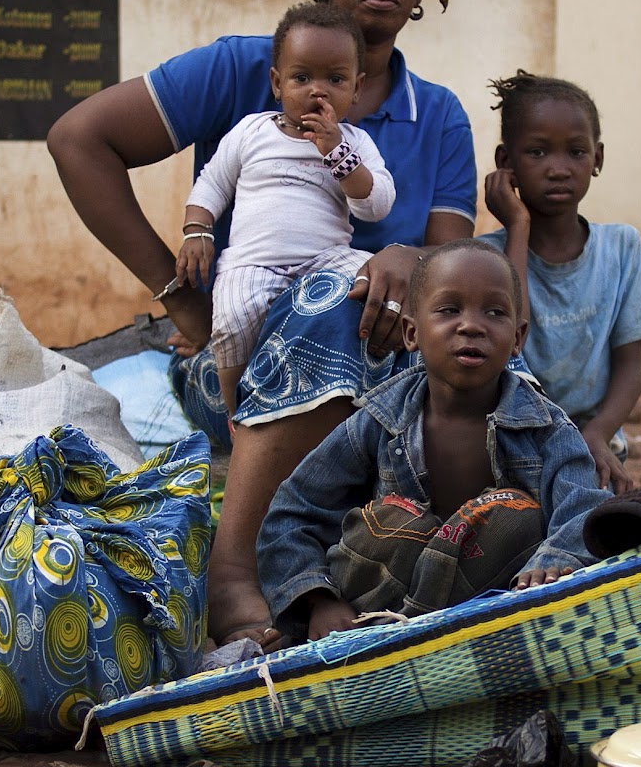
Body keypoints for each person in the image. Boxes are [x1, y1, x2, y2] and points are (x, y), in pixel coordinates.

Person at [47, 0, 475, 650]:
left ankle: (353, 581)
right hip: (241, 366)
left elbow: (457, 267)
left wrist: (409, 256)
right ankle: (233, 570)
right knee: (329, 298)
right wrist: (177, 291)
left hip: (388, 377)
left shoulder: (438, 115)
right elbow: (80, 139)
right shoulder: (242, 71)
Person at [257, 240, 612, 644]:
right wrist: (318, 599)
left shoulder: (547, 428)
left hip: (496, 601)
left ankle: (428, 637)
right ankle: (371, 634)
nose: (471, 325)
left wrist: (554, 562)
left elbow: (585, 505)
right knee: (386, 523)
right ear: (412, 332)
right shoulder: (379, 420)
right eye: (449, 310)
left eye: (494, 312)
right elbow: (294, 511)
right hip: (383, 601)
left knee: (514, 520)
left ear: (517, 338)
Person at [175, 2, 395, 420]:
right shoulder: (251, 132)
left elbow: (376, 206)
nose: (318, 91)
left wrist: (337, 153)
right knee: (233, 317)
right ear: (277, 83)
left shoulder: (354, 142)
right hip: (253, 264)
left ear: (357, 87)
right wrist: (197, 231)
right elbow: (212, 183)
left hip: (326, 259)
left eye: (335, 79)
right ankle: (237, 414)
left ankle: (370, 396)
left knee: (371, 279)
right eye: (301, 78)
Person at [478, 71, 641, 495]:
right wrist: (517, 226)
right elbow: (512, 341)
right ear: (505, 162)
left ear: (598, 158)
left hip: (592, 442)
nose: (559, 169)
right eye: (538, 152)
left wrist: (599, 432)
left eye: (576, 152)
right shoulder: (484, 258)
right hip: (511, 441)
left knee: (590, 518)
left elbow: (630, 364)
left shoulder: (622, 247)